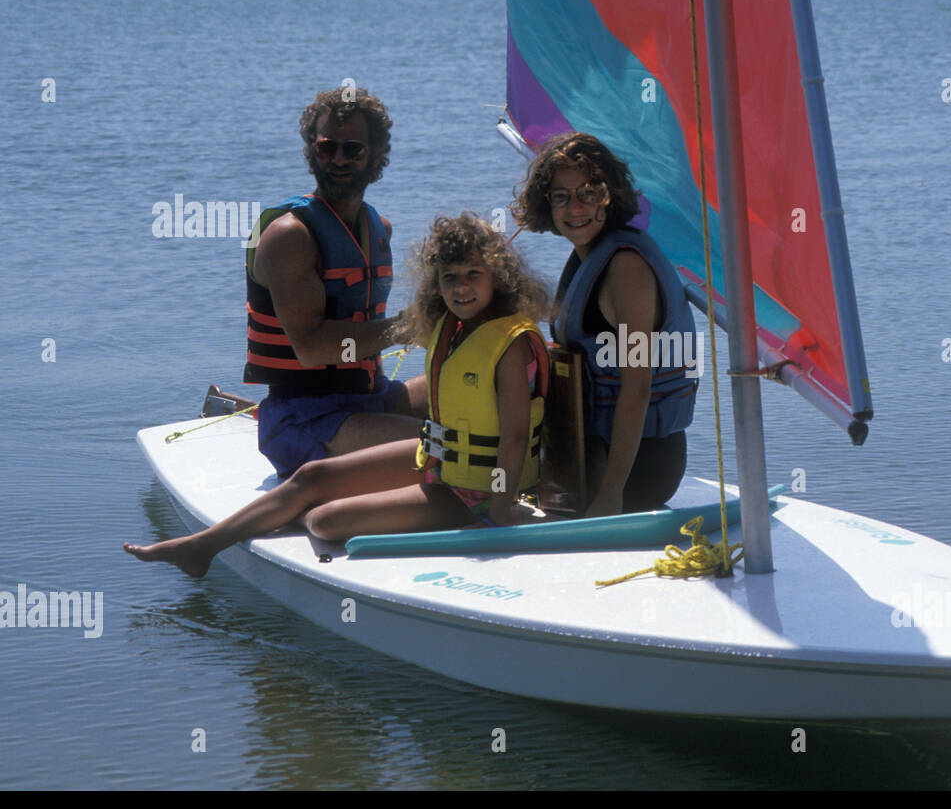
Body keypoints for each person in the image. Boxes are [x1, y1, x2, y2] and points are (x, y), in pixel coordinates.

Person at [126, 214, 551, 578]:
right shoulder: (452, 327)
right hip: (437, 463)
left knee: (324, 521)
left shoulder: (509, 344)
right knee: (313, 477)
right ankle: (201, 546)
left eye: (474, 275)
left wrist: (498, 514)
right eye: (449, 278)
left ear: (498, 276)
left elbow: (514, 438)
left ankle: (352, 509)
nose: (461, 289)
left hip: (473, 494)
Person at [511, 132, 697, 516]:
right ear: (547, 205)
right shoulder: (589, 256)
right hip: (588, 448)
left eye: (589, 193)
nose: (575, 207)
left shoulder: (625, 268)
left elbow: (638, 389)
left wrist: (611, 494)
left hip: (638, 465)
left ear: (610, 195)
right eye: (561, 196)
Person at [245, 87, 426, 478]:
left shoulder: (380, 229)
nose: (339, 159)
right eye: (327, 148)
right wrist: (406, 327)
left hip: (371, 399)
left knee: (498, 393)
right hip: (303, 416)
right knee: (443, 448)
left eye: (353, 149)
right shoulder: (290, 236)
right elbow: (310, 349)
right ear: (312, 151)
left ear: (376, 154)